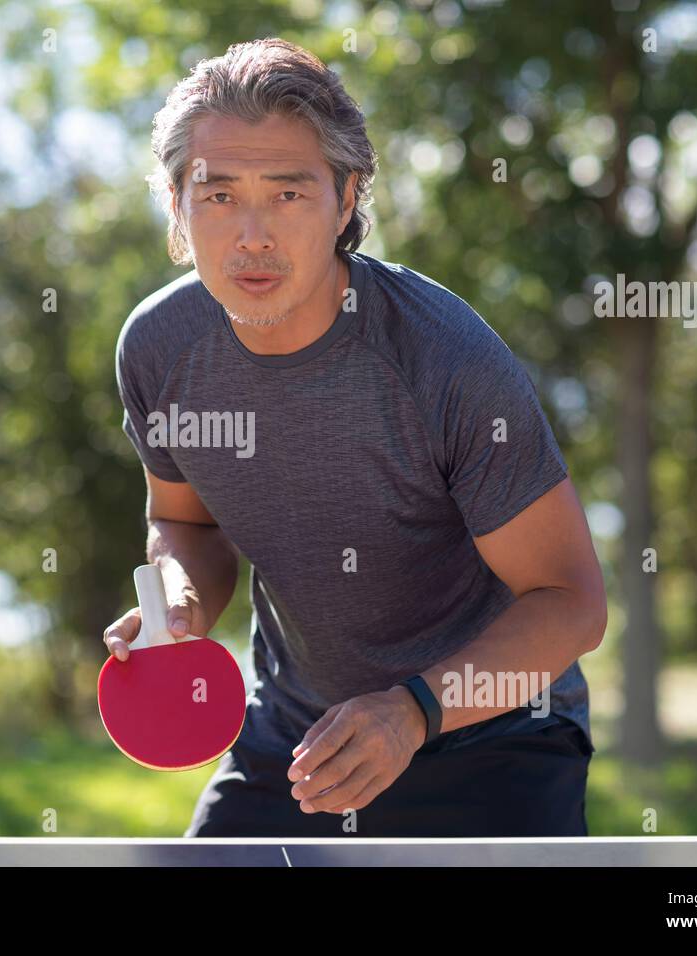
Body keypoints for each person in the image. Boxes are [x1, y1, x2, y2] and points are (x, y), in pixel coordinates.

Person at [105, 38, 607, 837]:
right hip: (296, 739)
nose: (253, 236)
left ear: (345, 202)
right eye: (220, 195)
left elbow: (572, 603)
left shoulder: (445, 359)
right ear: (176, 207)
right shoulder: (159, 350)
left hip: (499, 738)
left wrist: (413, 711)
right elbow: (188, 523)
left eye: (289, 195)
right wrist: (180, 598)